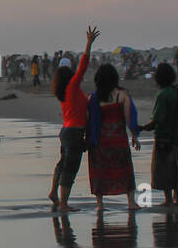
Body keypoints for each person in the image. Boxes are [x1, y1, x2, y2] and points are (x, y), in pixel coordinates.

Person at [47, 26, 99, 211]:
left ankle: (54, 192)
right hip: (75, 132)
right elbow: (83, 67)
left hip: (66, 131)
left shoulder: (64, 92)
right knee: (71, 167)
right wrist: (88, 44)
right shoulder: (71, 87)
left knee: (62, 163)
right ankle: (63, 203)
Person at [85, 62, 141, 211]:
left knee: (99, 171)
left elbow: (88, 119)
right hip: (118, 140)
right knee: (125, 169)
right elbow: (130, 117)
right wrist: (134, 135)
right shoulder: (121, 94)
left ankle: (100, 204)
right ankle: (131, 202)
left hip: (100, 142)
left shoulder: (93, 97)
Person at [139, 62, 178, 207]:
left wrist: (143, 128)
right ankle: (176, 196)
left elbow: (157, 119)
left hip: (163, 137)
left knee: (163, 167)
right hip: (177, 135)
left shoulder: (163, 94)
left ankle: (168, 199)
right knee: (174, 165)